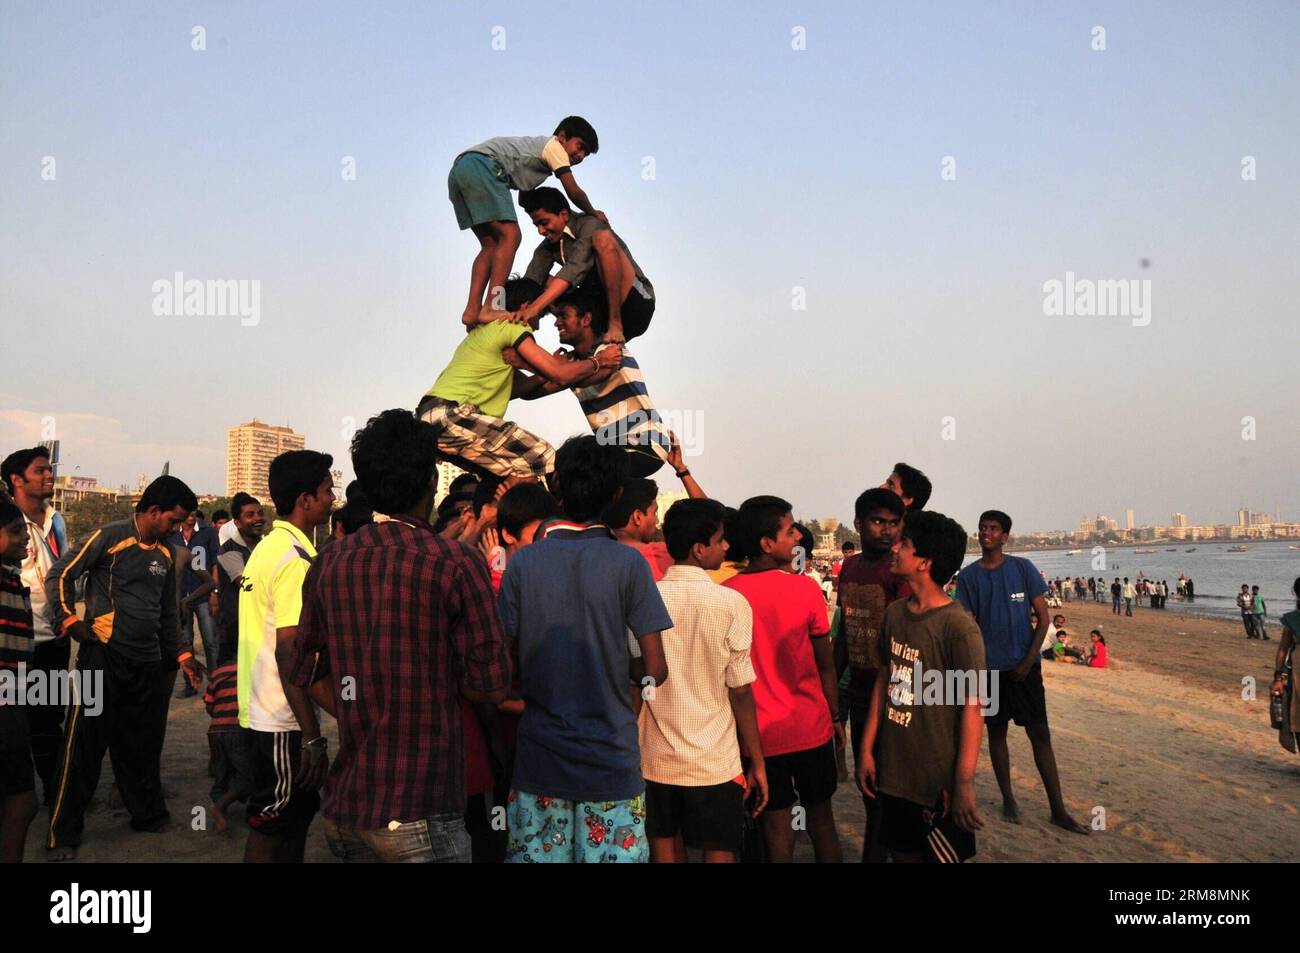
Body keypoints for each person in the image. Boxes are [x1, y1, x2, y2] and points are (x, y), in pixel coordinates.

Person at [284, 411, 512, 863]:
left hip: (347, 809)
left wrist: (365, 710)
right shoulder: (455, 563)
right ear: (431, 481)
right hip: (420, 811)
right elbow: (492, 684)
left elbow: (305, 669)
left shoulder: (329, 562)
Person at [499, 436, 670, 863]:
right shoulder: (630, 564)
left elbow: (501, 662)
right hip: (610, 764)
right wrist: (618, 665)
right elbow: (656, 668)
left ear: (556, 486)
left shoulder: (522, 564)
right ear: (615, 495)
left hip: (540, 761)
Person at [44, 475, 204, 861]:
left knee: (141, 747)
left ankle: (148, 816)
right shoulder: (109, 536)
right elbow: (60, 575)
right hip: (102, 659)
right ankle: (63, 834)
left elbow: (168, 614)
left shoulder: (166, 553)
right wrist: (69, 620)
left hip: (146, 662)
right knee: (83, 745)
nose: (176, 528)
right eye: (173, 520)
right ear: (152, 511)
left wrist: (183, 655)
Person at [640, 499, 767, 862]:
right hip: (714, 759)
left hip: (655, 757)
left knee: (663, 847)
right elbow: (741, 692)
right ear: (699, 549)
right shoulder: (731, 603)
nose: (727, 547)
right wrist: (756, 760)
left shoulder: (646, 598)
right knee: (720, 850)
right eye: (720, 539)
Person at [856, 509, 985, 863]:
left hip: (934, 783)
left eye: (906, 544)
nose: (895, 547)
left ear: (924, 563)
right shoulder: (895, 614)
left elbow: (974, 708)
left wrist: (963, 783)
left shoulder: (958, 628)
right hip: (893, 773)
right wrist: (867, 749)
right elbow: (884, 682)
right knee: (901, 854)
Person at [723, 496, 843, 863]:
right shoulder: (805, 588)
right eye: (790, 531)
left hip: (759, 738)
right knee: (821, 819)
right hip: (810, 727)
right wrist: (836, 718)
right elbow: (825, 666)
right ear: (766, 543)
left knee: (777, 827)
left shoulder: (727, 594)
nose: (796, 539)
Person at [955, 509, 1087, 834]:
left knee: (1040, 734)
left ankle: (1058, 808)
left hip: (1026, 669)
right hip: (990, 672)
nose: (986, 532)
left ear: (1005, 536)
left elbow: (1043, 619)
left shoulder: (1023, 569)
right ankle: (1008, 798)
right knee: (997, 734)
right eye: (983, 527)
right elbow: (967, 625)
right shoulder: (969, 577)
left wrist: (1028, 661)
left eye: (994, 528)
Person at [417, 278, 622, 482]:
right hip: (450, 415)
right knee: (544, 457)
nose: (538, 325)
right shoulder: (512, 327)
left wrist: (544, 372)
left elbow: (521, 390)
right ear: (526, 306)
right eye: (539, 313)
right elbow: (561, 374)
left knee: (505, 474)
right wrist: (599, 361)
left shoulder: (486, 332)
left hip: (430, 418)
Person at [237, 450, 335, 863]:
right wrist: (312, 735)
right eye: (327, 490)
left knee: (294, 816)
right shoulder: (294, 561)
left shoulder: (269, 546)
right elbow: (289, 651)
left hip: (263, 710)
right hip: (280, 718)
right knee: (272, 822)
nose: (333, 498)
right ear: (305, 499)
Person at [449, 117, 604, 327]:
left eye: (586, 154)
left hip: (462, 168)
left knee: (490, 245)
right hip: (484, 166)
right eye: (580, 147)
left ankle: (471, 311)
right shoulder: (554, 148)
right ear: (562, 137)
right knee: (511, 236)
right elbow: (573, 192)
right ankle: (493, 306)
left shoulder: (536, 154)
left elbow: (524, 198)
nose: (581, 155)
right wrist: (593, 213)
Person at [510, 288, 672, 477]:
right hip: (614, 450)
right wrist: (545, 372)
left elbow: (590, 376)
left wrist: (535, 366)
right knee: (565, 468)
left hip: (646, 445)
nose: (556, 322)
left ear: (586, 319)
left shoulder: (610, 349)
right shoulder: (571, 367)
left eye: (564, 316)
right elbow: (530, 393)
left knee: (572, 463)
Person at [832, 487, 908, 862]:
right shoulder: (850, 567)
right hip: (860, 693)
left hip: (895, 698)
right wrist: (830, 684)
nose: (887, 530)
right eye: (879, 522)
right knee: (870, 789)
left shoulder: (899, 571)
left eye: (894, 524)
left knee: (889, 793)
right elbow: (846, 630)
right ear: (859, 524)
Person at [1, 446, 69, 805]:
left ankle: (54, 798)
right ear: (16, 479)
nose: (49, 475)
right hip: (15, 642)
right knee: (15, 723)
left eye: (49, 470)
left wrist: (67, 615)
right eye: (40, 470)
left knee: (48, 722)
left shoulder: (57, 520)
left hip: (54, 638)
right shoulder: (6, 525)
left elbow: (64, 574)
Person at [515, 186, 655, 344]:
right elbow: (529, 283)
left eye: (544, 223)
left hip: (635, 302)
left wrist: (535, 308)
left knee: (603, 239)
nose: (540, 231)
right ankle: (587, 347)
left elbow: (575, 267)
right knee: (544, 283)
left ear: (563, 214)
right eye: (536, 226)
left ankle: (615, 324)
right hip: (599, 306)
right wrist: (519, 312)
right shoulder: (547, 247)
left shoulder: (590, 224)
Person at [0, 500, 39, 862]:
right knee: (22, 801)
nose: (24, 540)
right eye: (15, 532)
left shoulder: (12, 578)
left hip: (15, 698)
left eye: (25, 532)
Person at [168, 510, 220, 695]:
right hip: (181, 597)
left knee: (210, 642)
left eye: (193, 511)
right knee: (185, 641)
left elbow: (215, 563)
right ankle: (191, 683)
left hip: (203, 595)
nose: (191, 515)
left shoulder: (208, 532)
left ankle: (215, 684)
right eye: (187, 512)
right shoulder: (172, 534)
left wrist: (214, 592)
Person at [604, 478, 672, 581]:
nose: (657, 521)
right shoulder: (662, 553)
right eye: (654, 513)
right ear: (638, 517)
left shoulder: (594, 556)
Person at [1270, 577, 1300, 754]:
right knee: (1296, 716)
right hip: (1296, 674)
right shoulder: (1292, 620)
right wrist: (1278, 677)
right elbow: (1283, 649)